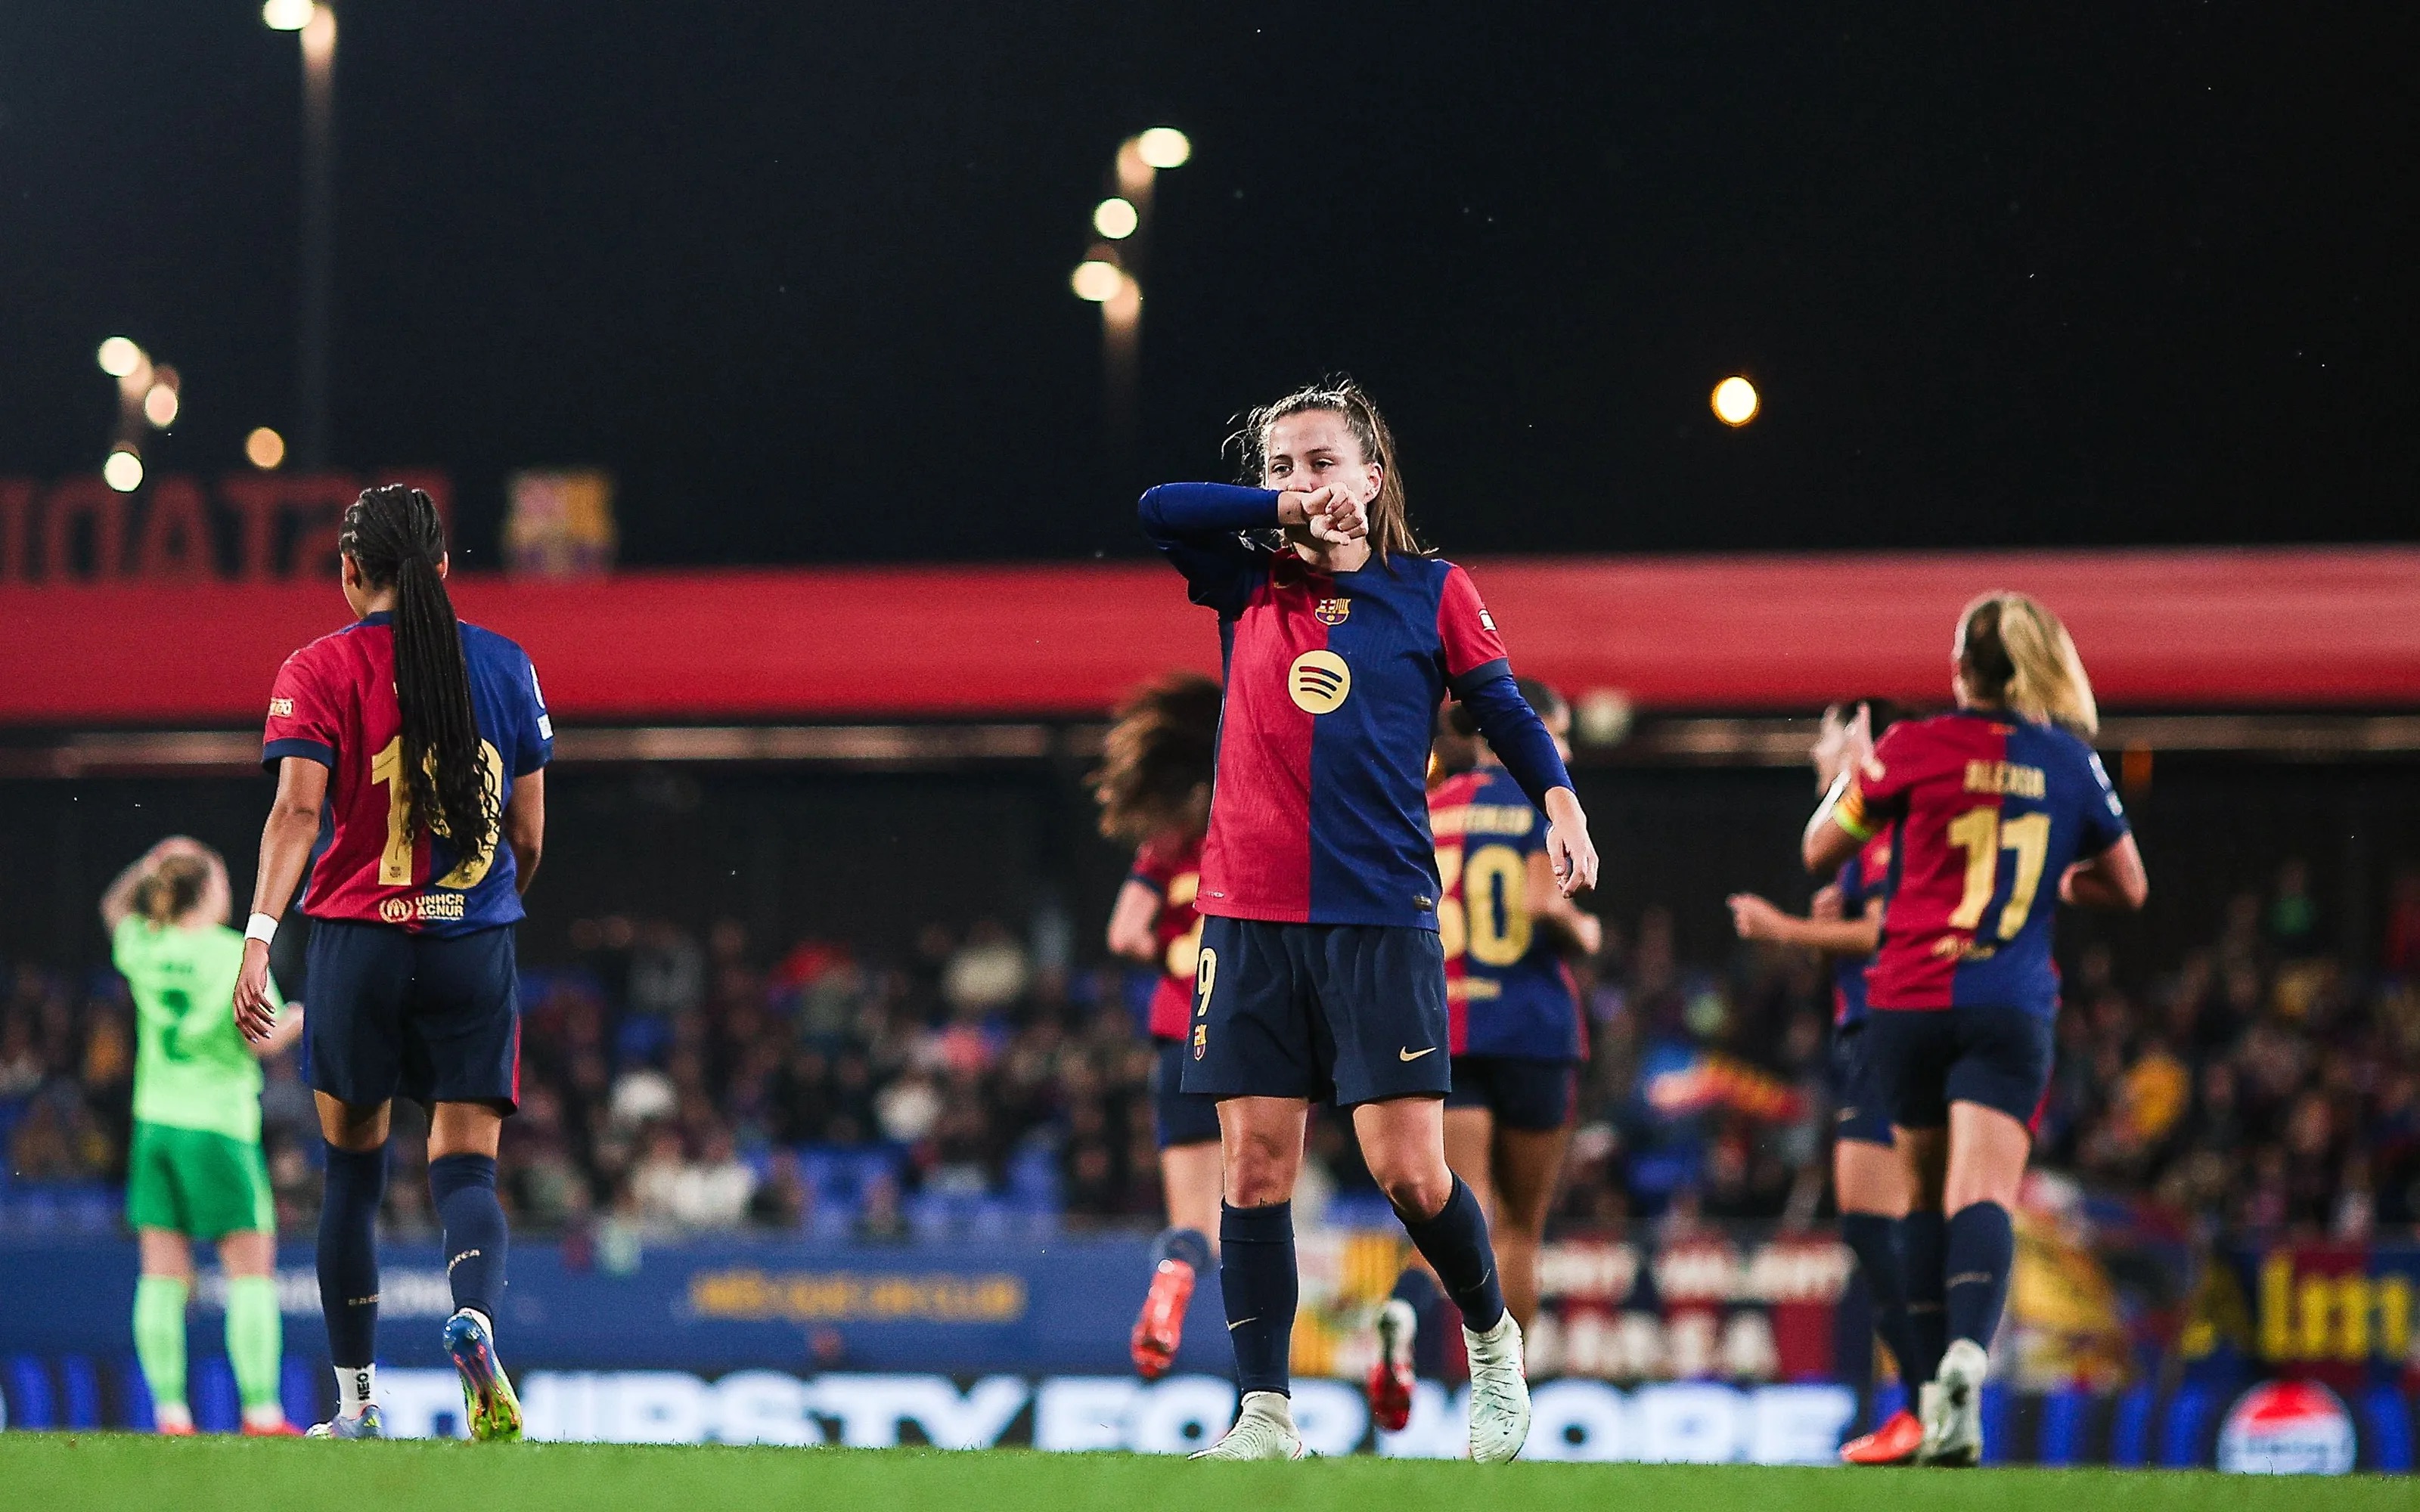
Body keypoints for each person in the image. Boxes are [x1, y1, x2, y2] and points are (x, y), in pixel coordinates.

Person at [1139, 378, 1599, 1462]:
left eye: (1320, 463)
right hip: (1246, 915)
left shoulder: (1430, 590)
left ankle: (1493, 1348)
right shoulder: (1244, 574)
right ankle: (1265, 1414)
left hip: (1380, 917)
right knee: (1252, 1170)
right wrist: (1284, 518)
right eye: (1281, 468)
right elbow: (1159, 505)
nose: (1300, 483)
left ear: (1372, 476)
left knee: (1410, 1173)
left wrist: (1564, 804)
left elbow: (1503, 708)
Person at [232, 484, 552, 1442]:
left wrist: (256, 937)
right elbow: (528, 834)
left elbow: (296, 812)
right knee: (465, 1176)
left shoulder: (319, 665)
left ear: (348, 573)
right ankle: (476, 1322)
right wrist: (485, 899)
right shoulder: (504, 663)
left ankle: (359, 1402)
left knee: (352, 1177)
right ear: (446, 568)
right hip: (470, 942)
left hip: (357, 948)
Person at [1803, 593, 2146, 1466]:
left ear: (1957, 667)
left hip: (1910, 999)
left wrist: (1854, 771)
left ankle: (1927, 1402)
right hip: (2009, 1001)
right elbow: (2127, 886)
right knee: (1983, 1192)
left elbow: (1820, 850)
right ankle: (1964, 1359)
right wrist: (2062, 889)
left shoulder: (1912, 747)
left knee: (1919, 1197)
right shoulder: (2068, 760)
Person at [1368, 682, 1601, 1433]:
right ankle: (1502, 1401)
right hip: (1530, 1026)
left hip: (1445, 1024)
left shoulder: (1426, 804)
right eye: (1555, 734)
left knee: (1454, 1209)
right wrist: (1588, 935)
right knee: (1517, 1227)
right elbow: (1541, 906)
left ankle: (1405, 1313)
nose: (1560, 750)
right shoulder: (1537, 798)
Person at [1729, 699, 1929, 1465]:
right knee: (1889, 1226)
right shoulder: (1860, 838)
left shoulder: (1877, 821)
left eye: (1827, 730)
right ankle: (1922, 1400)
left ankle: (1923, 1400)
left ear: (1862, 739)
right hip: (1873, 1029)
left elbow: (1883, 931)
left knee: (1876, 1225)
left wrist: (1787, 929)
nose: (1815, 746)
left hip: (1888, 1028)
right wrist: (1821, 932)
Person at [104, 837, 306, 1436]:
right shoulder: (229, 957)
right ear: (208, 892)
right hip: (218, 1127)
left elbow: (114, 911)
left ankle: (170, 1412)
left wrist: (147, 864)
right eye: (220, 879)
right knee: (250, 1269)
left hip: (155, 1126)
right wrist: (296, 1018)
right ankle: (262, 1411)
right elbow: (262, 1039)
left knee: (161, 1272)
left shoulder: (147, 944)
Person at [1094, 671, 1228, 1378]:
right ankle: (1268, 1387)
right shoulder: (1259, 825)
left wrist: (1178, 958)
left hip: (1181, 1034)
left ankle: (1175, 1273)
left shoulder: (1167, 847)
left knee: (1194, 1224)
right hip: (1254, 1036)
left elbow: (1123, 934)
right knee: (1267, 1207)